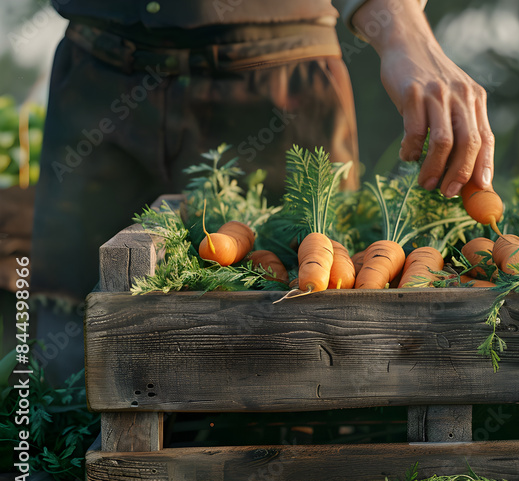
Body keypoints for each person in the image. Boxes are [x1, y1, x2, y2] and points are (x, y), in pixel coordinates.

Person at [26, 0, 495, 384]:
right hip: (97, 74)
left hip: (280, 78)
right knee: (66, 345)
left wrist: (403, 32)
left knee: (309, 345)